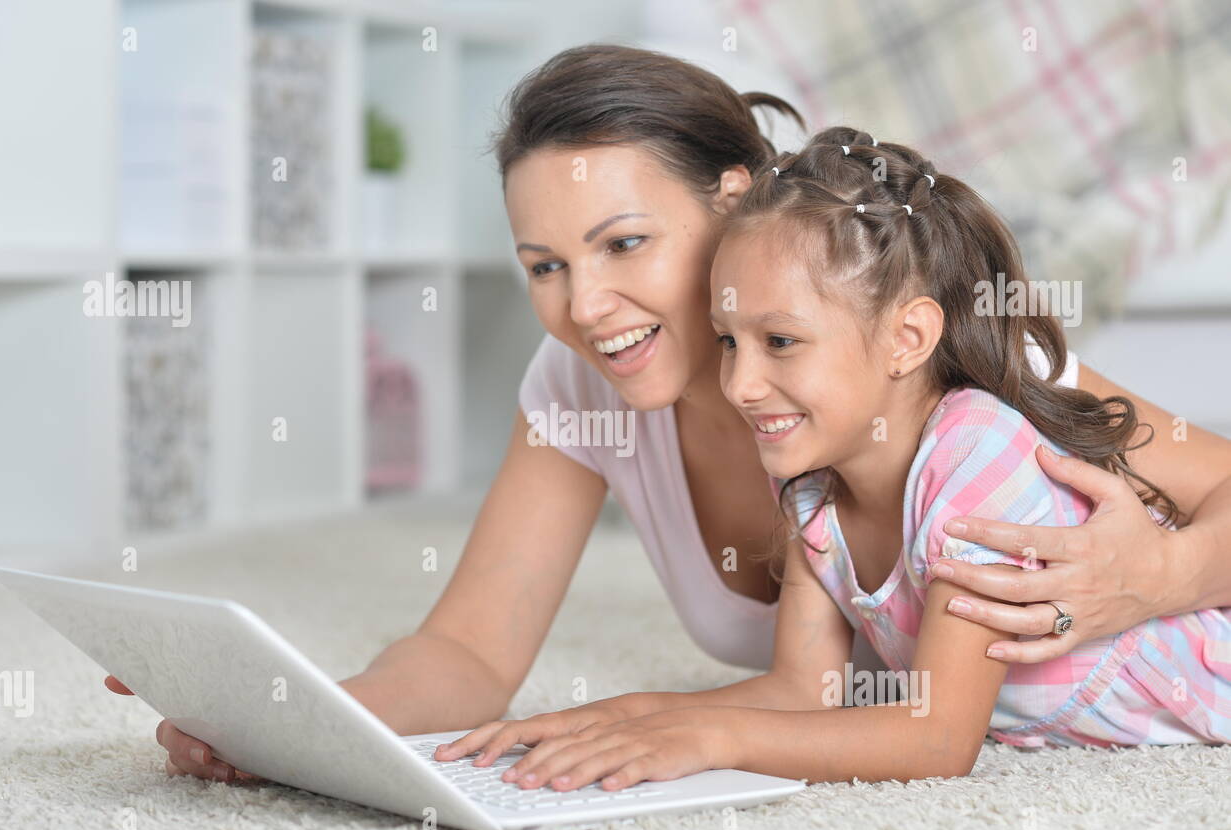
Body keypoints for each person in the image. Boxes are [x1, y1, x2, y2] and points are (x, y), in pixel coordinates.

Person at [110, 45, 1231, 784]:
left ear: (736, 203)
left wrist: (1165, 575)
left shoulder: (942, 390)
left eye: (624, 244)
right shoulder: (582, 396)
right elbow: (466, 648)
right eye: (542, 264)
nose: (585, 307)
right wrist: (292, 724)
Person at [435, 126, 1230, 790]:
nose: (742, 383)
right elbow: (800, 691)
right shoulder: (811, 493)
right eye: (728, 342)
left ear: (908, 338)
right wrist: (622, 715)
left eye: (780, 342)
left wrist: (711, 739)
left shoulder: (975, 454)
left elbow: (938, 736)